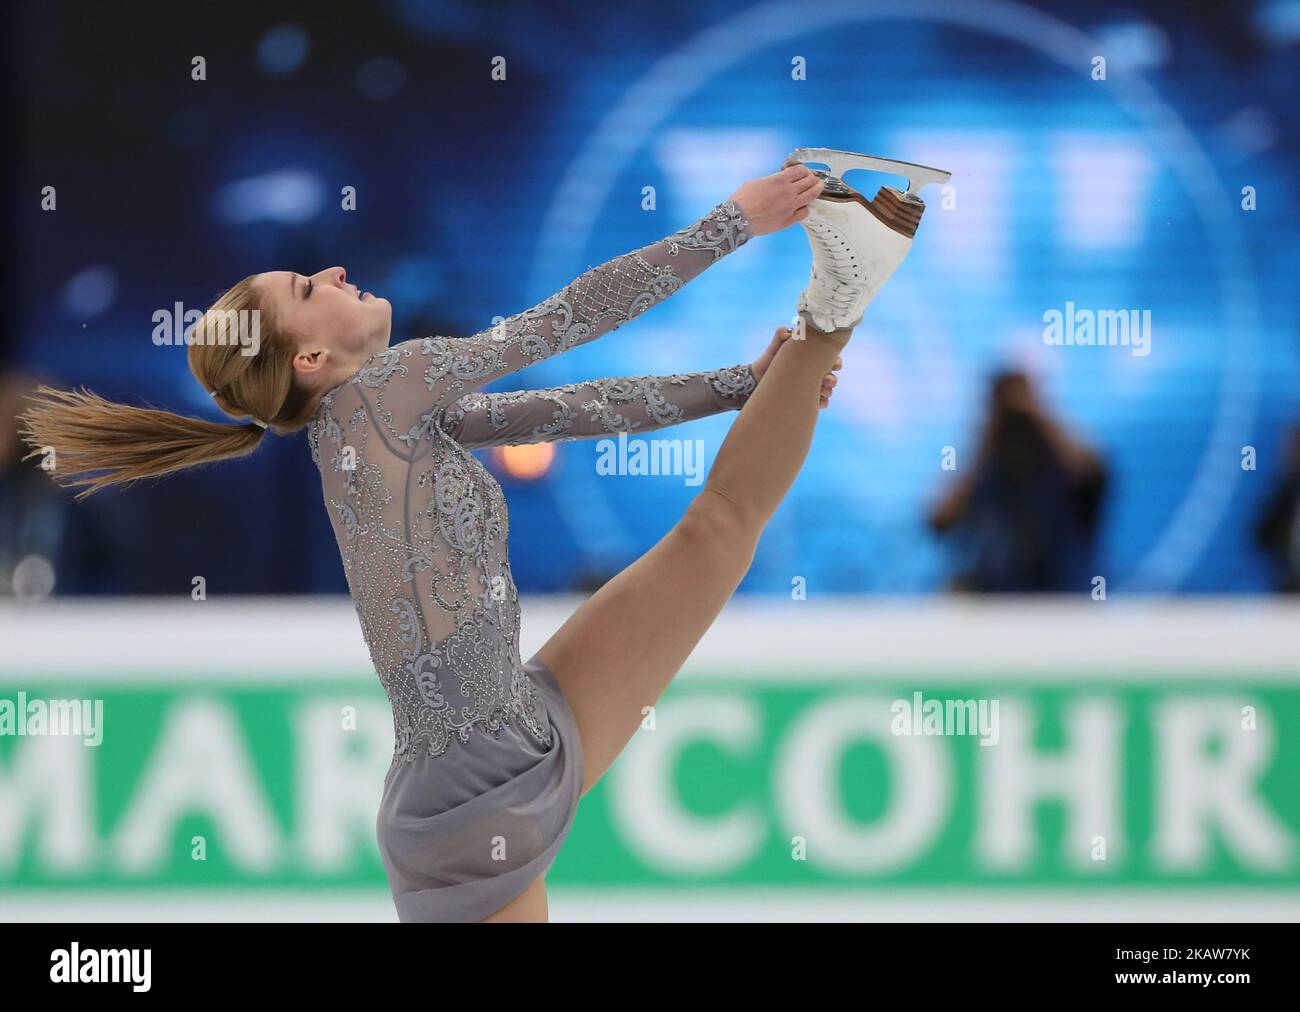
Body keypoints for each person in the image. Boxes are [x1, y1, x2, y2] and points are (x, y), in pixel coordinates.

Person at [19, 159, 920, 922]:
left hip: (511, 730)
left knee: (715, 533)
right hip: (471, 788)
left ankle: (839, 296)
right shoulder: (386, 392)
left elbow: (572, 410)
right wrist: (735, 222)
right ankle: (836, 301)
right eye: (305, 291)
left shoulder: (383, 419)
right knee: (717, 531)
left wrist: (740, 383)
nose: (332, 270)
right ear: (308, 361)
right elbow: (563, 320)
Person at [928, 369, 1108, 593]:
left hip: (1065, 605)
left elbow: (1092, 474)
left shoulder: (1064, 467)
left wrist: (1038, 415)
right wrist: (985, 441)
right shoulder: (984, 472)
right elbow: (939, 519)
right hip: (997, 605)